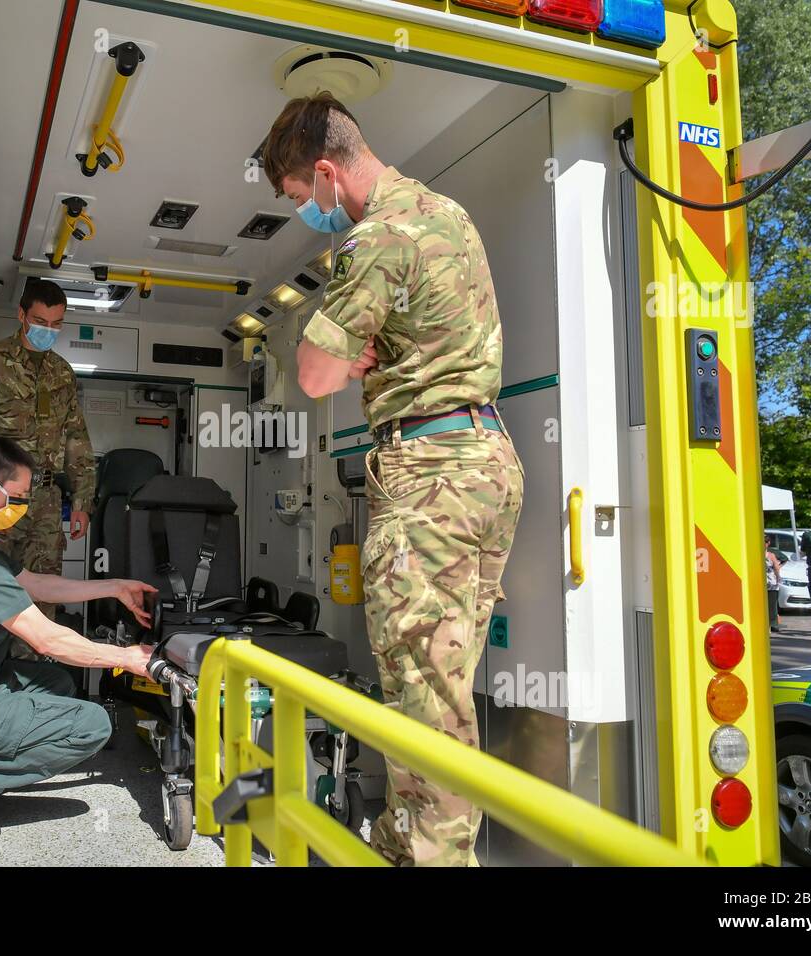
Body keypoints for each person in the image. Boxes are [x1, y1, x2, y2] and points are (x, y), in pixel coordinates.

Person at [261, 92, 523, 866]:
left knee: (423, 700)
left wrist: (339, 348)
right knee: (444, 689)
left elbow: (312, 375)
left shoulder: (375, 239)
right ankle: (407, 842)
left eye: (298, 199)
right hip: (487, 465)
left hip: (432, 478)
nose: (306, 213)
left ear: (324, 173)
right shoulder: (449, 213)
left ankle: (434, 857)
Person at [0, 436, 155, 848]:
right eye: (17, 497)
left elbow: (37, 584)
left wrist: (115, 586)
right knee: (91, 726)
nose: (20, 509)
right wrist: (126, 658)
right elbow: (47, 638)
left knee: (57, 684)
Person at [0, 277, 95, 654]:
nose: (48, 331)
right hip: (1, 502)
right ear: (21, 315)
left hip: (48, 505)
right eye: (40, 321)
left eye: (55, 324)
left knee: (43, 594)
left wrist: (82, 503)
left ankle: (35, 675)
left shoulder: (62, 373)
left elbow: (76, 438)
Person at [764, 535, 784, 634]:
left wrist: (777, 577)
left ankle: (769, 624)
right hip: (769, 582)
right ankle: (772, 625)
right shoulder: (769, 555)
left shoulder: (768, 555)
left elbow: (776, 567)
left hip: (765, 582)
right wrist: (778, 577)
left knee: (767, 605)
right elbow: (776, 568)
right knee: (771, 605)